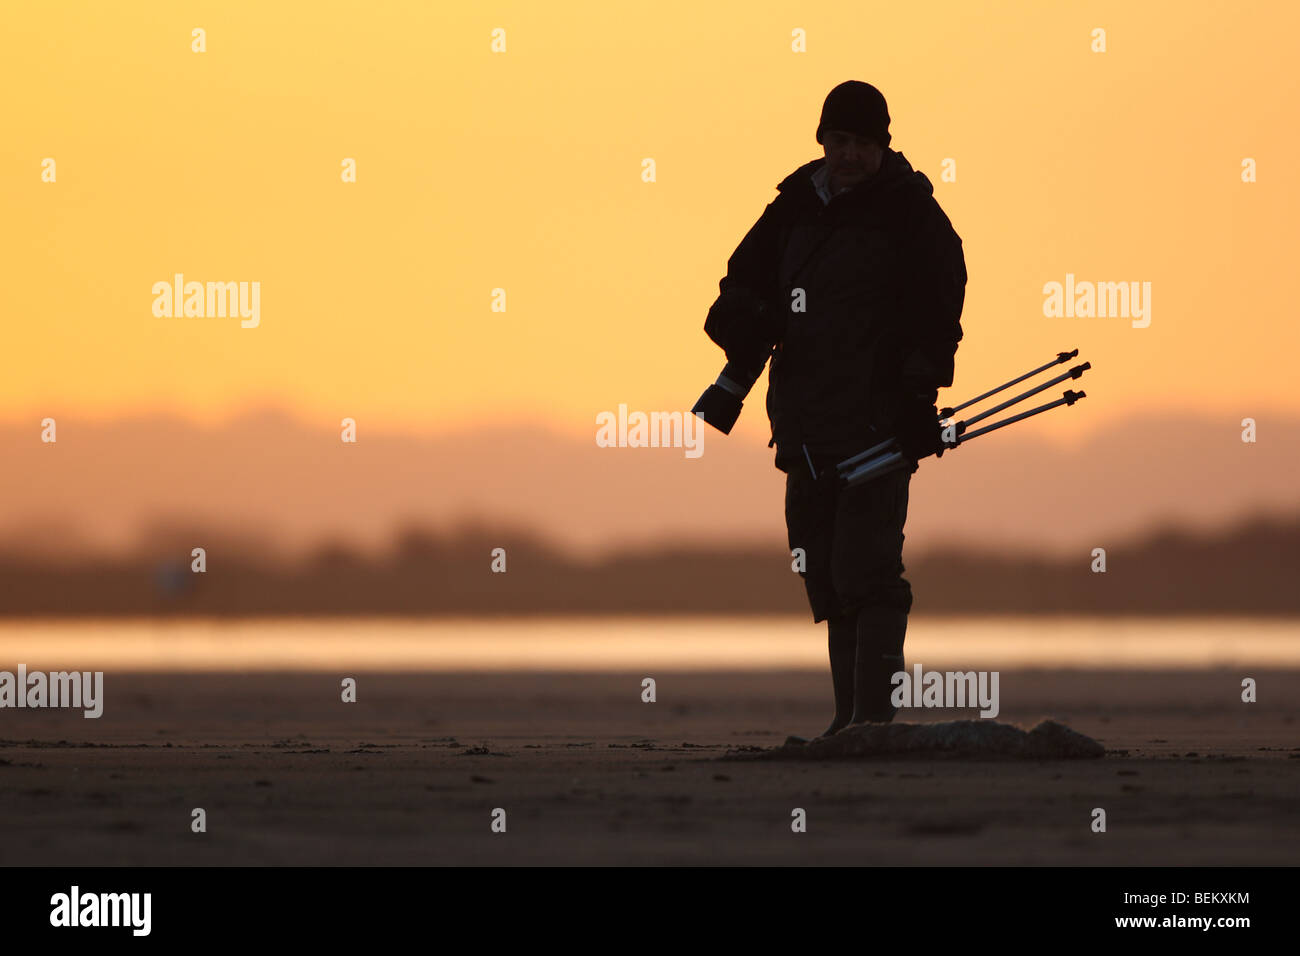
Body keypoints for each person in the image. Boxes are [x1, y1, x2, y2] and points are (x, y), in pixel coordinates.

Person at [702, 80, 967, 737]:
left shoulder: (910, 213)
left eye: (864, 143)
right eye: (840, 141)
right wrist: (745, 324)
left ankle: (871, 722)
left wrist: (917, 395)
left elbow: (939, 309)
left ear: (884, 145)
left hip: (879, 425)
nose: (850, 155)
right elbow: (739, 282)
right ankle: (846, 722)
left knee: (868, 573)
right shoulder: (793, 206)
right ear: (823, 141)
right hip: (804, 426)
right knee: (823, 575)